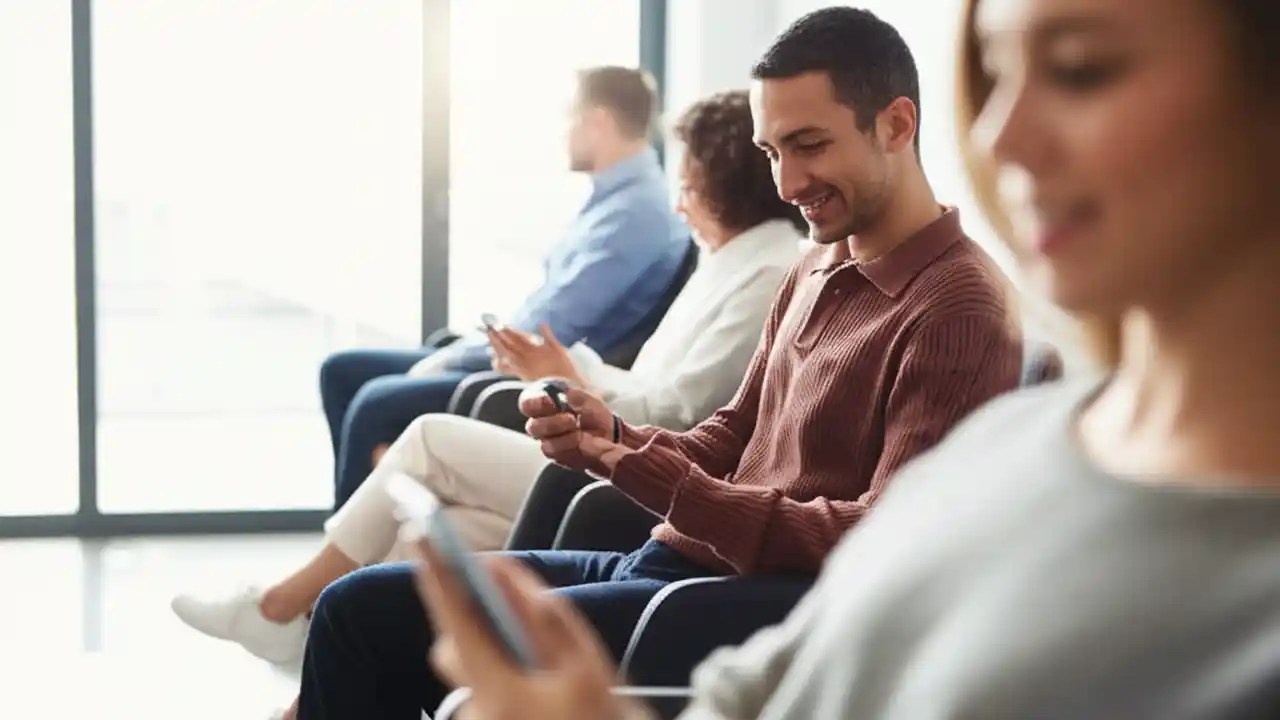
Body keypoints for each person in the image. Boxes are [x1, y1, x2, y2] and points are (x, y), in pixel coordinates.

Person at [413, 1, 1280, 718]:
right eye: (991, 77)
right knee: (399, 611)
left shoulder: (964, 317)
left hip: (709, 587)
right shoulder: (1009, 445)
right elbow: (779, 671)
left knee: (384, 620)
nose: (996, 137)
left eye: (1083, 70)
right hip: (686, 566)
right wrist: (616, 447)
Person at [286, 8, 1025, 718]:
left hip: (720, 607)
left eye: (810, 145)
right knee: (360, 605)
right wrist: (612, 439)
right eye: (773, 152)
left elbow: (881, 537)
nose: (787, 184)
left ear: (896, 124)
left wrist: (660, 478)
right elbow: (734, 434)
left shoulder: (958, 310)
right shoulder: (816, 263)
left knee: (364, 625)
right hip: (667, 563)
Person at [168, 90, 806, 665]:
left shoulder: (767, 273)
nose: (679, 202)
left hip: (632, 471)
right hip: (617, 445)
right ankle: (311, 670)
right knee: (423, 535)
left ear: (725, 187)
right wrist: (572, 375)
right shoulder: (726, 262)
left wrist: (572, 373)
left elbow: (678, 412)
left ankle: (280, 608)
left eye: (689, 186)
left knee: (428, 438)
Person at [319, 66, 688, 513]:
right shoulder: (612, 202)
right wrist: (458, 351)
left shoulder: (636, 215)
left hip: (532, 378)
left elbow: (551, 328)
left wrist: (452, 359)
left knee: (373, 402)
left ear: (598, 122)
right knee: (341, 371)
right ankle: (355, 532)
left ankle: (351, 549)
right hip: (511, 359)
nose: (564, 133)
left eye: (569, 118)